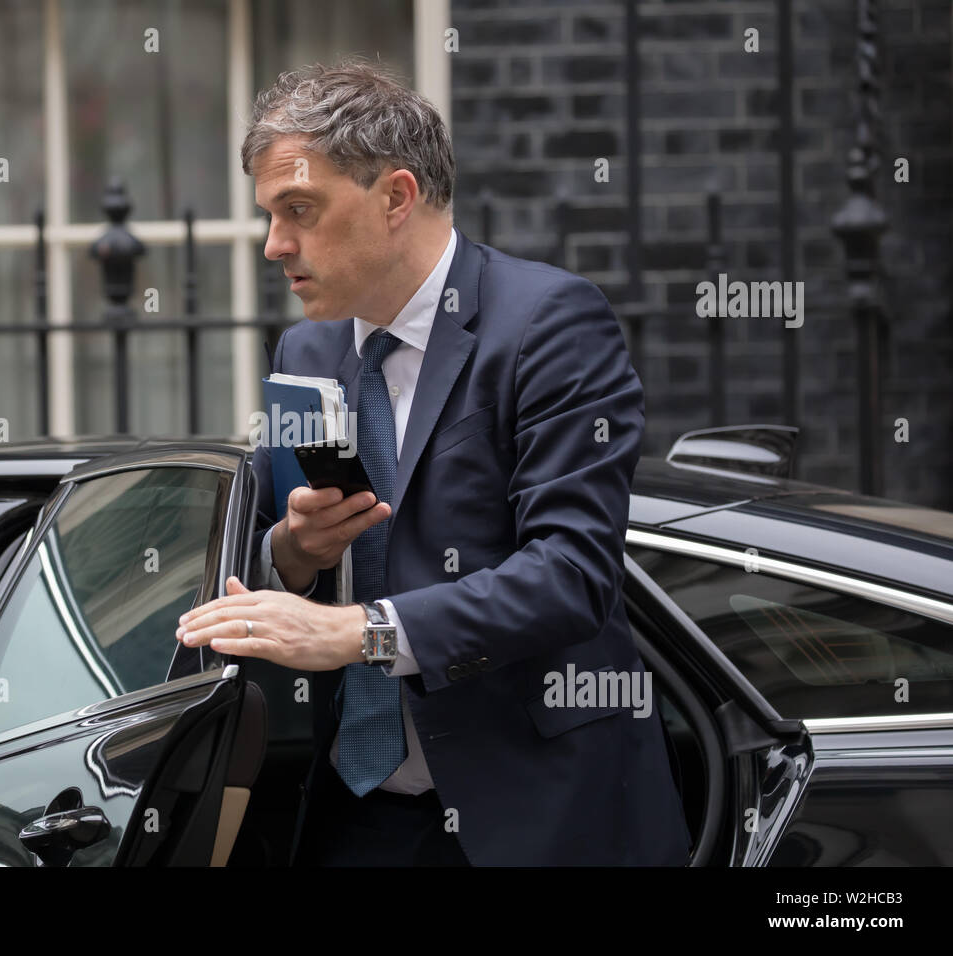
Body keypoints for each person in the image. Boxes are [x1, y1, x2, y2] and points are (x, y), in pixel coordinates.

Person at [175, 58, 690, 866]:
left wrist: (363, 632)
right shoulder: (307, 346)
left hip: (528, 815)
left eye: (299, 210)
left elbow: (572, 572)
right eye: (270, 216)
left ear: (396, 198)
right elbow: (277, 551)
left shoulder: (549, 324)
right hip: (351, 813)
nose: (275, 244)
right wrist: (296, 556)